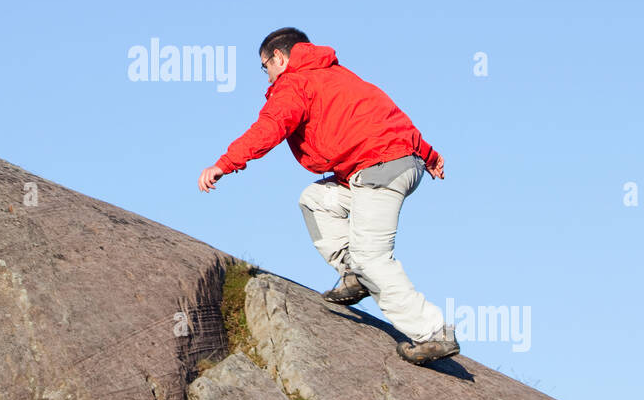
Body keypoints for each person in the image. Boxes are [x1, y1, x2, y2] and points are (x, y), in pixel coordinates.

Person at [197, 27, 459, 365]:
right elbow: (386, 112)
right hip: (397, 163)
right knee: (316, 199)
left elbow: (271, 126)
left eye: (265, 68)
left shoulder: (295, 82)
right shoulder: (337, 74)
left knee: (373, 257)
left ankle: (433, 332)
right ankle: (352, 275)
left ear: (278, 57)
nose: (268, 78)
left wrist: (225, 164)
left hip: (378, 168)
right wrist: (429, 154)